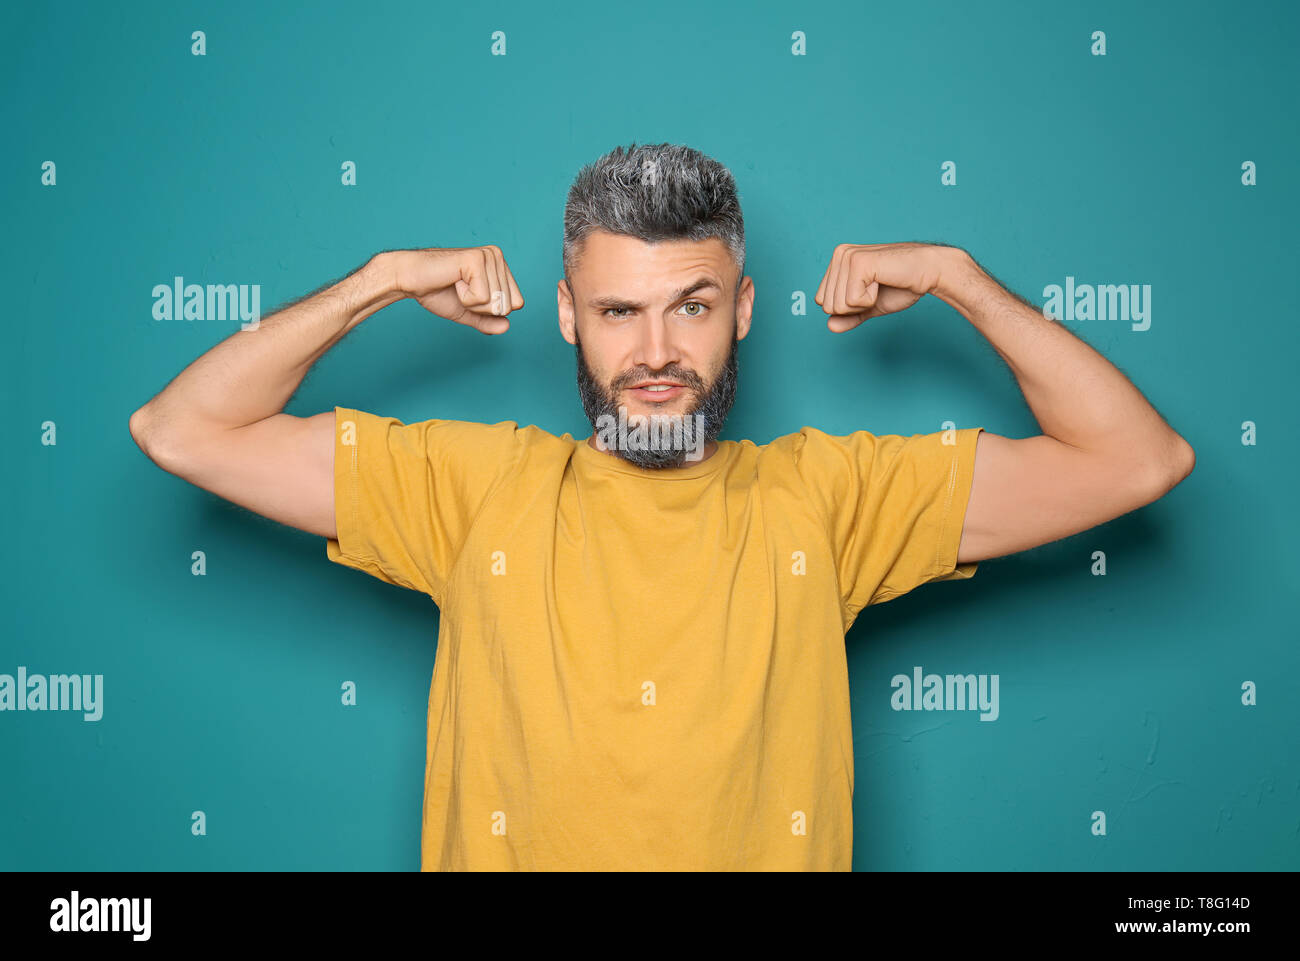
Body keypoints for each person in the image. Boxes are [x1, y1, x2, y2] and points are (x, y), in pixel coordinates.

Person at [128, 142, 1194, 870]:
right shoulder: (470, 490)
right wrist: (378, 281)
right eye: (616, 311)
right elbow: (181, 431)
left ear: (741, 312)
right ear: (566, 316)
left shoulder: (827, 499)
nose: (652, 355)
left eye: (690, 308)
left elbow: (1135, 460)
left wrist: (962, 280)